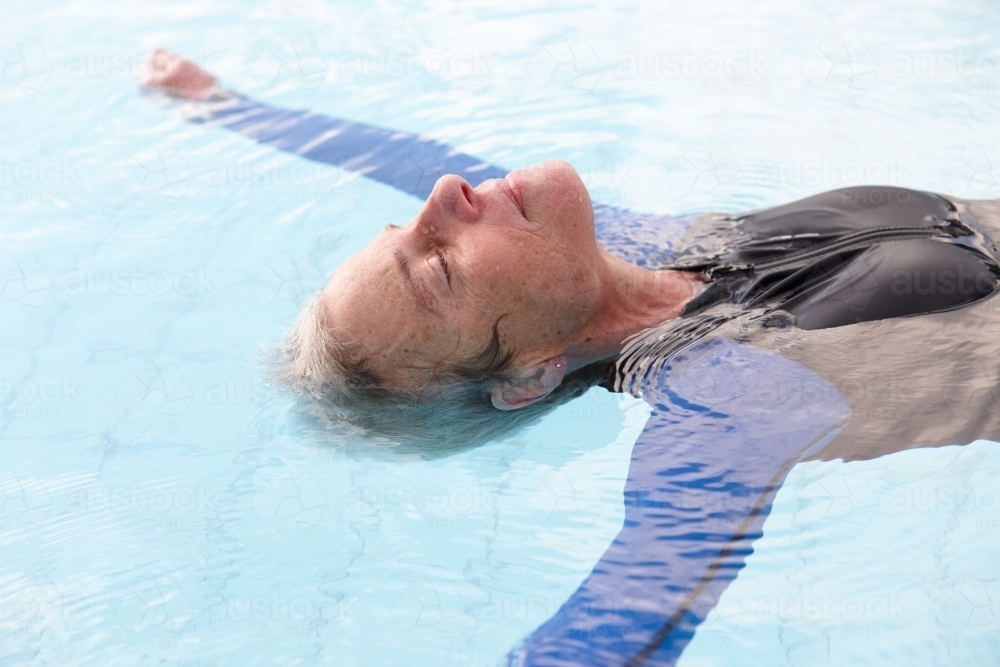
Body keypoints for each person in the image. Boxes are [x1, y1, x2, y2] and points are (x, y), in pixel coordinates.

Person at [142, 49, 1000, 667]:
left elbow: (408, 157)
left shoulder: (633, 245)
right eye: (438, 266)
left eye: (404, 226)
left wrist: (225, 106)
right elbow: (617, 626)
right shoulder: (721, 408)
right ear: (532, 373)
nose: (444, 196)